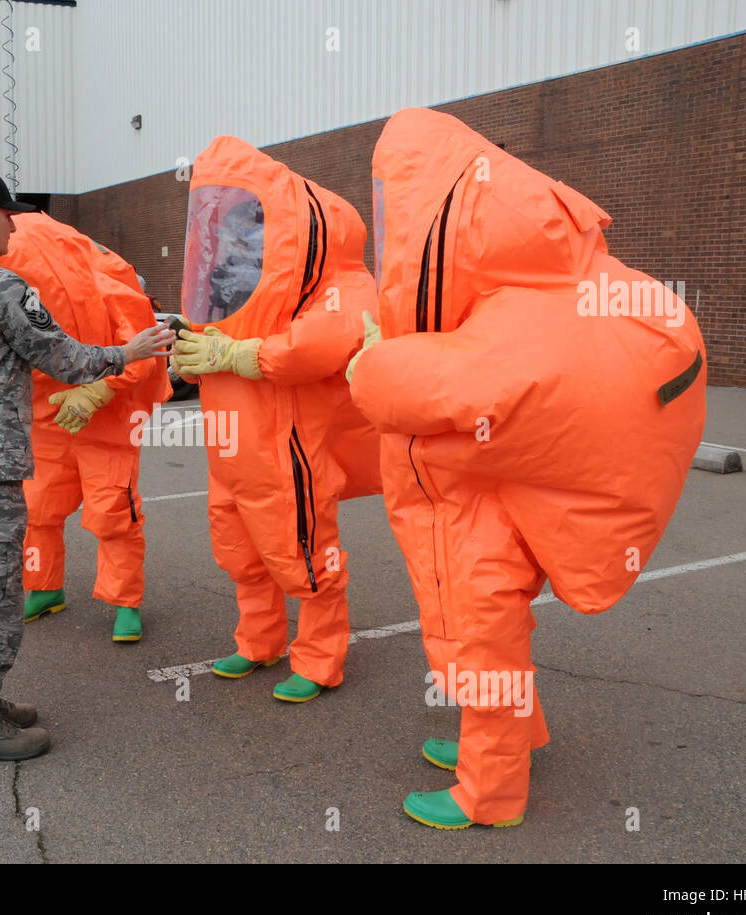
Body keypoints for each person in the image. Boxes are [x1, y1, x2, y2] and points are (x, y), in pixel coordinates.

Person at [348, 108, 706, 829]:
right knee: (493, 630)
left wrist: (370, 363)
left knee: (482, 639)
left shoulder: (522, 310)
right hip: (495, 487)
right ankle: (514, 740)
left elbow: (444, 384)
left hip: (478, 499)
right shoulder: (538, 280)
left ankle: (490, 792)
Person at [0, 169, 174, 764]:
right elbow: (64, 356)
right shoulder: (4, 287)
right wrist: (127, 355)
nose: (14, 223)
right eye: (8, 214)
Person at [171, 136, 381, 703]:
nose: (239, 243)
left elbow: (323, 341)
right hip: (231, 442)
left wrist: (244, 355)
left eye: (251, 231)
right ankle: (259, 639)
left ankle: (320, 658)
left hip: (290, 445)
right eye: (235, 231)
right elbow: (218, 331)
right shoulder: (236, 282)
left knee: (306, 553)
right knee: (240, 547)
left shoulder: (340, 280)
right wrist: (195, 357)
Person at [0, 216, 172, 642]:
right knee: (39, 508)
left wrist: (99, 390)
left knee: (113, 512)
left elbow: (145, 347)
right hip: (45, 417)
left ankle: (125, 601)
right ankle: (44, 586)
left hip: (107, 421)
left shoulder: (105, 278)